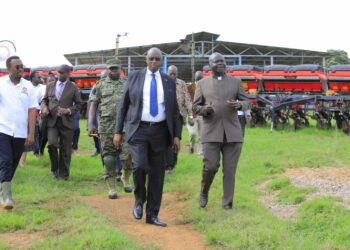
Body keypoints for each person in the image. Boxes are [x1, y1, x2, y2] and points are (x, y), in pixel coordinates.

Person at [114, 47, 182, 227]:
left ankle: (152, 215)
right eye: (151, 58)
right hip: (138, 130)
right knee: (141, 166)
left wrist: (176, 136)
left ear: (161, 61)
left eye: (157, 59)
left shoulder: (168, 81)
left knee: (157, 175)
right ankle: (139, 200)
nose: (154, 62)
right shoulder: (134, 77)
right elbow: (123, 106)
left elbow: (174, 111)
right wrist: (117, 131)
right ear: (146, 59)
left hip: (161, 132)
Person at [193, 52, 251, 209]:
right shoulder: (202, 84)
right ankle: (204, 192)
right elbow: (195, 107)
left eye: (223, 61)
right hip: (211, 132)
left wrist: (241, 105)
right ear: (210, 64)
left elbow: (247, 101)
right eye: (217, 61)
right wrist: (205, 109)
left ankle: (227, 203)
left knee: (230, 170)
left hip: (232, 132)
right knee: (211, 166)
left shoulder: (236, 82)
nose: (221, 64)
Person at [88, 59, 133, 198]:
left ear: (120, 69)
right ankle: (112, 188)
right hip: (106, 126)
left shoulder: (127, 83)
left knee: (128, 156)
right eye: (111, 68)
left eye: (116, 68)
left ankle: (125, 178)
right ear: (107, 69)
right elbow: (93, 104)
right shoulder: (100, 85)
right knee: (109, 158)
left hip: (126, 126)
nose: (113, 70)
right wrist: (91, 124)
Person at [0, 56, 37, 209]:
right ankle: (7, 197)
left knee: (13, 163)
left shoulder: (28, 86)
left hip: (21, 132)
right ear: (9, 68)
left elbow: (32, 110)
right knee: (6, 161)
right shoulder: (1, 84)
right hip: (3, 129)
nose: (21, 69)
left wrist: (31, 134)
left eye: (22, 66)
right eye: (17, 67)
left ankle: (3, 189)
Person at [41, 64, 82, 180]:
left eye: (62, 73)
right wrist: (44, 107)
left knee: (65, 149)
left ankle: (64, 174)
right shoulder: (50, 85)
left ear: (69, 74)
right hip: (52, 121)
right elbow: (44, 100)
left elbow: (79, 104)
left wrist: (68, 110)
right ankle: (54, 169)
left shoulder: (73, 87)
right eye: (58, 72)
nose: (59, 74)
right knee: (52, 144)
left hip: (66, 122)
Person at [165, 65, 193, 173]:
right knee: (166, 139)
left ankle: (171, 164)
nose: (172, 75)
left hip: (178, 117)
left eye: (174, 73)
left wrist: (190, 116)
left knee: (175, 139)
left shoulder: (181, 84)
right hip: (165, 116)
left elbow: (188, 100)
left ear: (177, 73)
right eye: (170, 73)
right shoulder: (164, 81)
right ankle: (166, 163)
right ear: (167, 73)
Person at [19, 71, 44, 166]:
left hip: (31, 115)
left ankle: (22, 163)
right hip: (19, 116)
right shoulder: (24, 87)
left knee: (25, 139)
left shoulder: (39, 88)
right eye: (38, 77)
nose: (40, 78)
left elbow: (35, 106)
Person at [187, 70, 204, 155]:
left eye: (201, 78)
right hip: (192, 115)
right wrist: (190, 117)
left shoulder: (206, 87)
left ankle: (200, 152)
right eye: (198, 78)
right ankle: (191, 146)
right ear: (195, 78)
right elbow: (187, 103)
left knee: (202, 135)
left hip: (202, 115)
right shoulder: (189, 87)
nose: (200, 79)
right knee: (193, 133)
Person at [38, 72, 55, 156]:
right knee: (44, 135)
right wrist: (43, 108)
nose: (51, 82)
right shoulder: (42, 89)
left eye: (53, 80)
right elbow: (40, 101)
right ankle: (40, 150)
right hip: (45, 115)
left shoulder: (57, 88)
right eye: (50, 81)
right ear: (46, 82)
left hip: (55, 115)